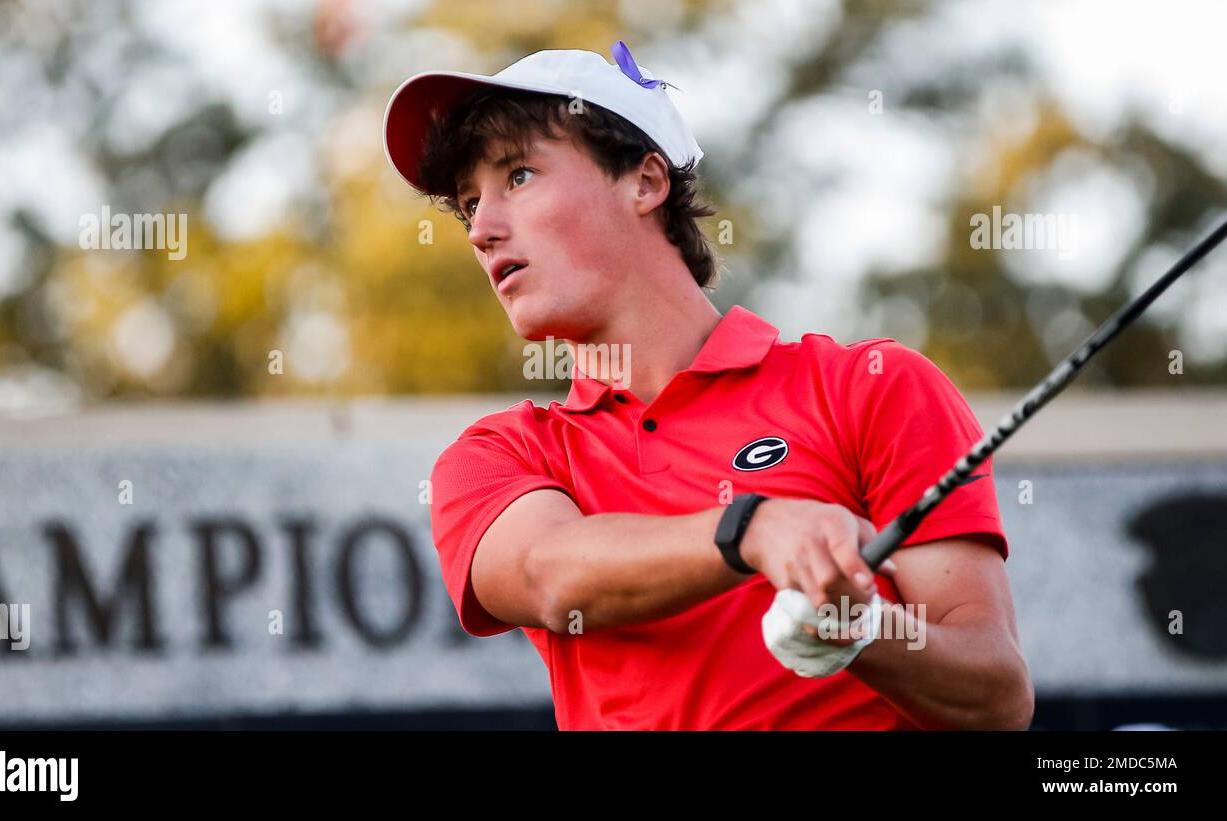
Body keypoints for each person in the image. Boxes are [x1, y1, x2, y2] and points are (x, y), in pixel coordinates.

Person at [382, 41, 1033, 730]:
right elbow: (550, 574)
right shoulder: (499, 455)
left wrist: (860, 627)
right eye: (468, 202)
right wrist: (751, 528)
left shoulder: (873, 386)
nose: (481, 229)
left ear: (645, 181)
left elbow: (996, 698)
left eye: (517, 175)